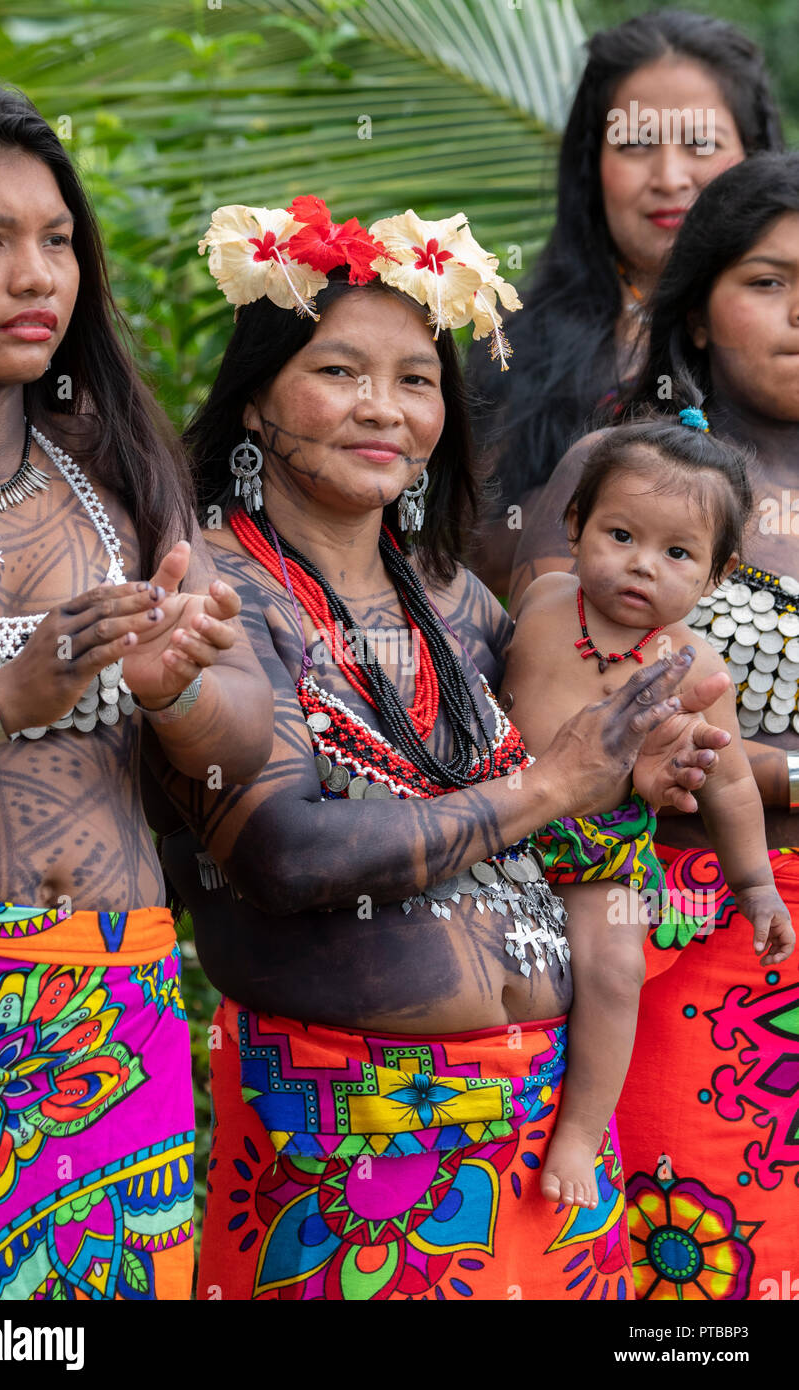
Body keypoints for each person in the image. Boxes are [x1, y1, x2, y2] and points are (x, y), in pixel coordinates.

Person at [143, 195, 732, 1301]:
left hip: (546, 1137)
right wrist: (549, 783)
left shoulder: (454, 597)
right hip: (349, 1148)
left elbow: (578, 767)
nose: (386, 409)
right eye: (339, 372)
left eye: (416, 379)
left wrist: (630, 773)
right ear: (258, 403)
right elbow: (285, 857)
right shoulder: (218, 595)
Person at [0, 67, 272, 1301]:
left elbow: (241, 740)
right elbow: (9, 699)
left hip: (114, 1001)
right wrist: (0, 702)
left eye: (59, 241)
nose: (39, 276)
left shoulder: (115, 469)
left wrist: (176, 683)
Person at [508, 151, 799, 1299]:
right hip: (659, 915)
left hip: (753, 899)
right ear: (695, 304)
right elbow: (537, 688)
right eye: (768, 280)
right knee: (680, 1250)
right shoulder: (616, 469)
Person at [502, 414, 793, 1212]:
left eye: (676, 554)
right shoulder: (543, 602)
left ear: (717, 573)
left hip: (603, 848)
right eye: (621, 534)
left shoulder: (694, 663)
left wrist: (755, 886)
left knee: (615, 969)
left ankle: (579, 1133)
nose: (641, 566)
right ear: (575, 525)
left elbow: (731, 784)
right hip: (498, 824)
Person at [466, 8, 781, 596]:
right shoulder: (516, 344)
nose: (669, 176)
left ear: (756, 154)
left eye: (701, 143)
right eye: (635, 144)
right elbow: (461, 562)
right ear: (593, 164)